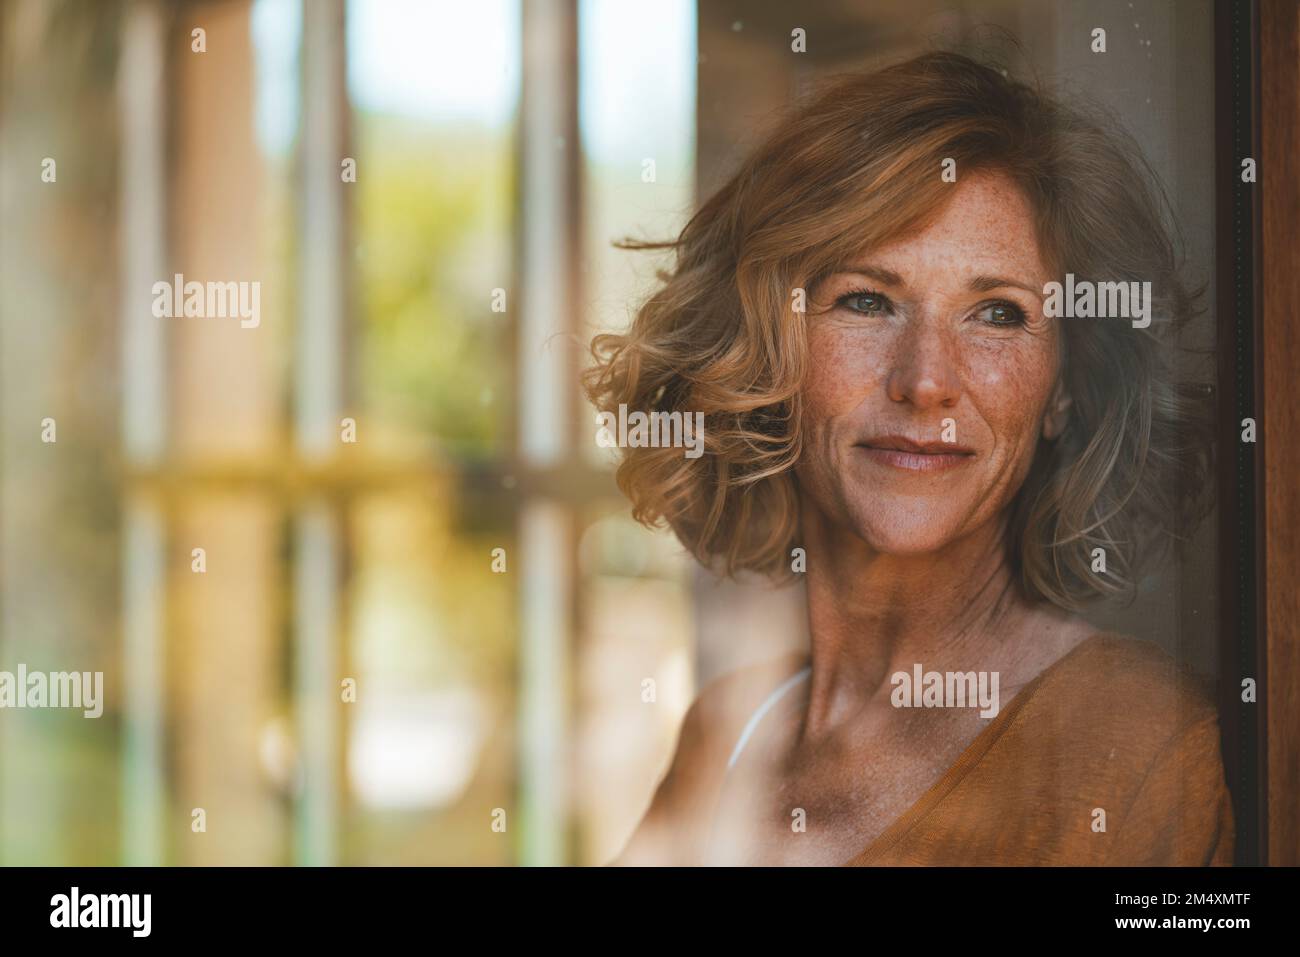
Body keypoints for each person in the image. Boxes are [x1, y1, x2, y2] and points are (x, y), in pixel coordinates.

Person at [586, 51, 1231, 866]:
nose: (926, 381)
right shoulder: (729, 727)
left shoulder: (1141, 746)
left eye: (998, 313)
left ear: (1066, 386)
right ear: (765, 351)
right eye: (867, 300)